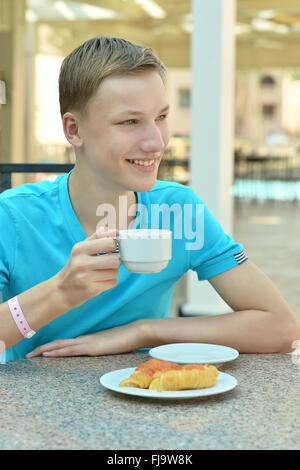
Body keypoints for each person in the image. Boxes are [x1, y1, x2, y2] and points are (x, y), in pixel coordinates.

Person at [0, 37, 299, 362]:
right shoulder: (13, 217)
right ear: (74, 130)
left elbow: (281, 328)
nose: (156, 142)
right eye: (129, 122)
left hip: (145, 398)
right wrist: (59, 292)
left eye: (161, 117)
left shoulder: (180, 211)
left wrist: (143, 331)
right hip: (36, 407)